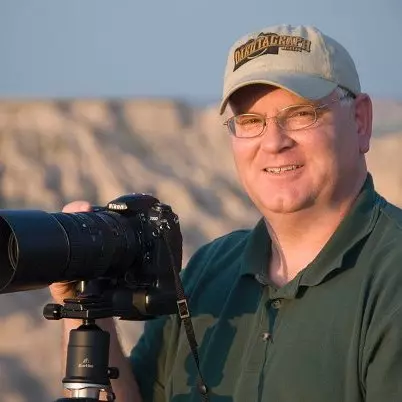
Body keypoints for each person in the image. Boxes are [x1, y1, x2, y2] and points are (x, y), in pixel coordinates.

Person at [50, 24, 402, 401]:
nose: (274, 142)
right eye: (250, 121)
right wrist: (85, 309)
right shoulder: (208, 272)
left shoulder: (390, 276)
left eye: (301, 114)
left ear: (361, 121)